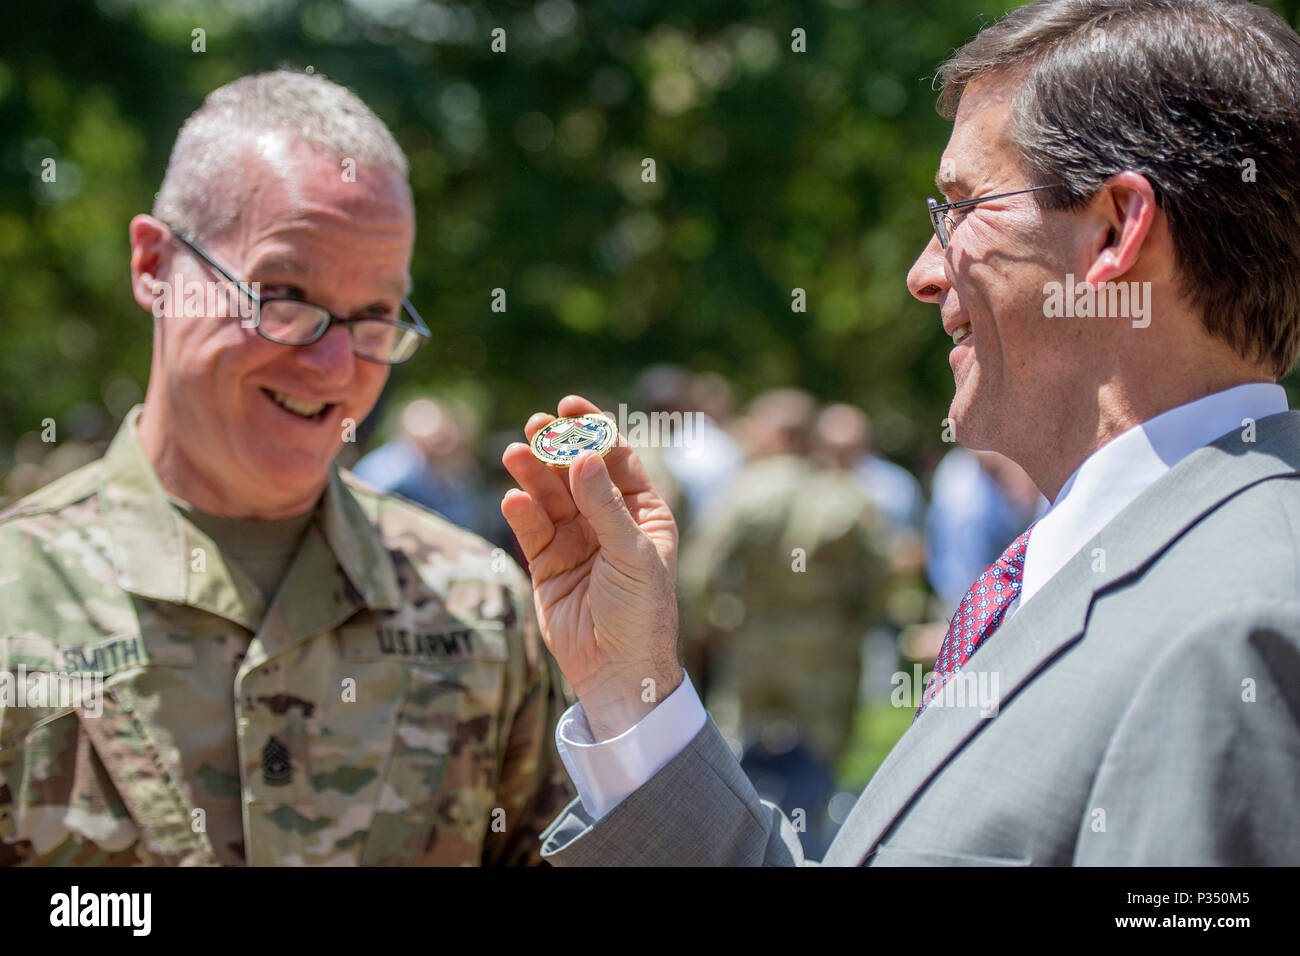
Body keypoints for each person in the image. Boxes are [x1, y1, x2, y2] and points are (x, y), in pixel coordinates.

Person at [500, 0, 1300, 865]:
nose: (923, 275)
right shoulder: (1121, 569)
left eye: (961, 208)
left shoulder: (1237, 630)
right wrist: (631, 691)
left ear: (1114, 230)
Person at [0, 70, 572, 866]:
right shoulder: (14, 598)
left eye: (375, 316)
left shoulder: (478, 610)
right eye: (284, 293)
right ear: (154, 266)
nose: (336, 367)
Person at [677, 390, 888, 856]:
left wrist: (714, 623)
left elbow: (698, 571)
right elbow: (879, 577)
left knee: (735, 748)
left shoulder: (745, 491)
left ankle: (740, 847)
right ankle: (817, 850)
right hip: (825, 647)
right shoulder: (843, 493)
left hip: (755, 638)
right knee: (823, 757)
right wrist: (853, 623)